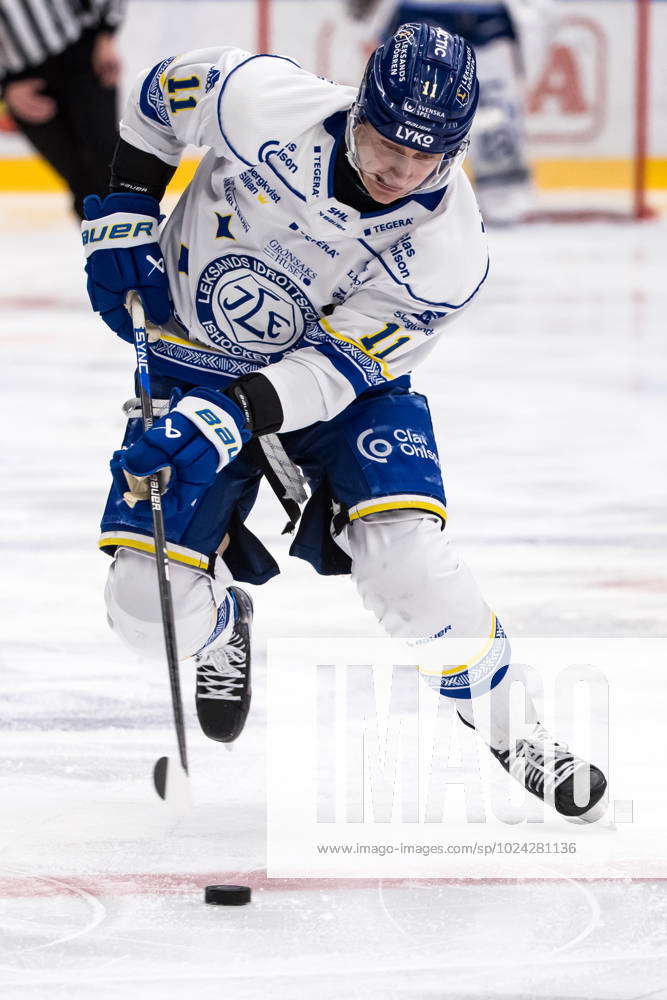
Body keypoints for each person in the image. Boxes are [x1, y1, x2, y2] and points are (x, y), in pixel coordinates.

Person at [81, 22, 606, 818]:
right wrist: (126, 204)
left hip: (335, 391)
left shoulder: (446, 251)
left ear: (455, 151)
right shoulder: (258, 97)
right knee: (139, 609)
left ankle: (508, 724)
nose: (399, 171)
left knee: (408, 570)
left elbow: (331, 371)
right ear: (358, 109)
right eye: (385, 143)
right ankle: (223, 623)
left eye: (424, 158)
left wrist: (231, 416)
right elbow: (158, 98)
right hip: (191, 352)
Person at [348, 0, 556, 224]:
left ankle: (502, 207)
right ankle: (389, 201)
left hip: (492, 18)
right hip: (419, 12)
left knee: (496, 115)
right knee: (407, 115)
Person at [1, 0, 124, 218]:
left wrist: (106, 34)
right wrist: (6, 89)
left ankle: (143, 246)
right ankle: (106, 251)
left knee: (111, 170)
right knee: (83, 185)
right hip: (21, 82)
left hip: (81, 57)